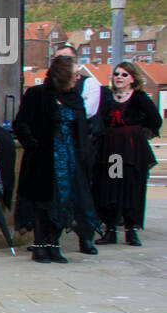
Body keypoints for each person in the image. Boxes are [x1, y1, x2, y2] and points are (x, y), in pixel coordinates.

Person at [13, 54, 100, 263]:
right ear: (63, 75)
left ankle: (54, 245)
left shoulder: (75, 99)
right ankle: (40, 246)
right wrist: (34, 145)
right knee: (42, 203)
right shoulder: (37, 94)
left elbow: (82, 128)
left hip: (69, 159)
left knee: (64, 202)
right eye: (74, 74)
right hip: (43, 158)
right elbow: (21, 123)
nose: (77, 78)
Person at [94, 61, 161, 246]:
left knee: (131, 187)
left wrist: (140, 134)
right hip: (113, 151)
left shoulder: (138, 97)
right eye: (117, 74)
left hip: (131, 150)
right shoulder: (107, 97)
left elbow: (155, 119)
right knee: (111, 186)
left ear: (132, 78)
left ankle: (131, 230)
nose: (119, 77)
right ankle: (110, 229)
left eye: (124, 75)